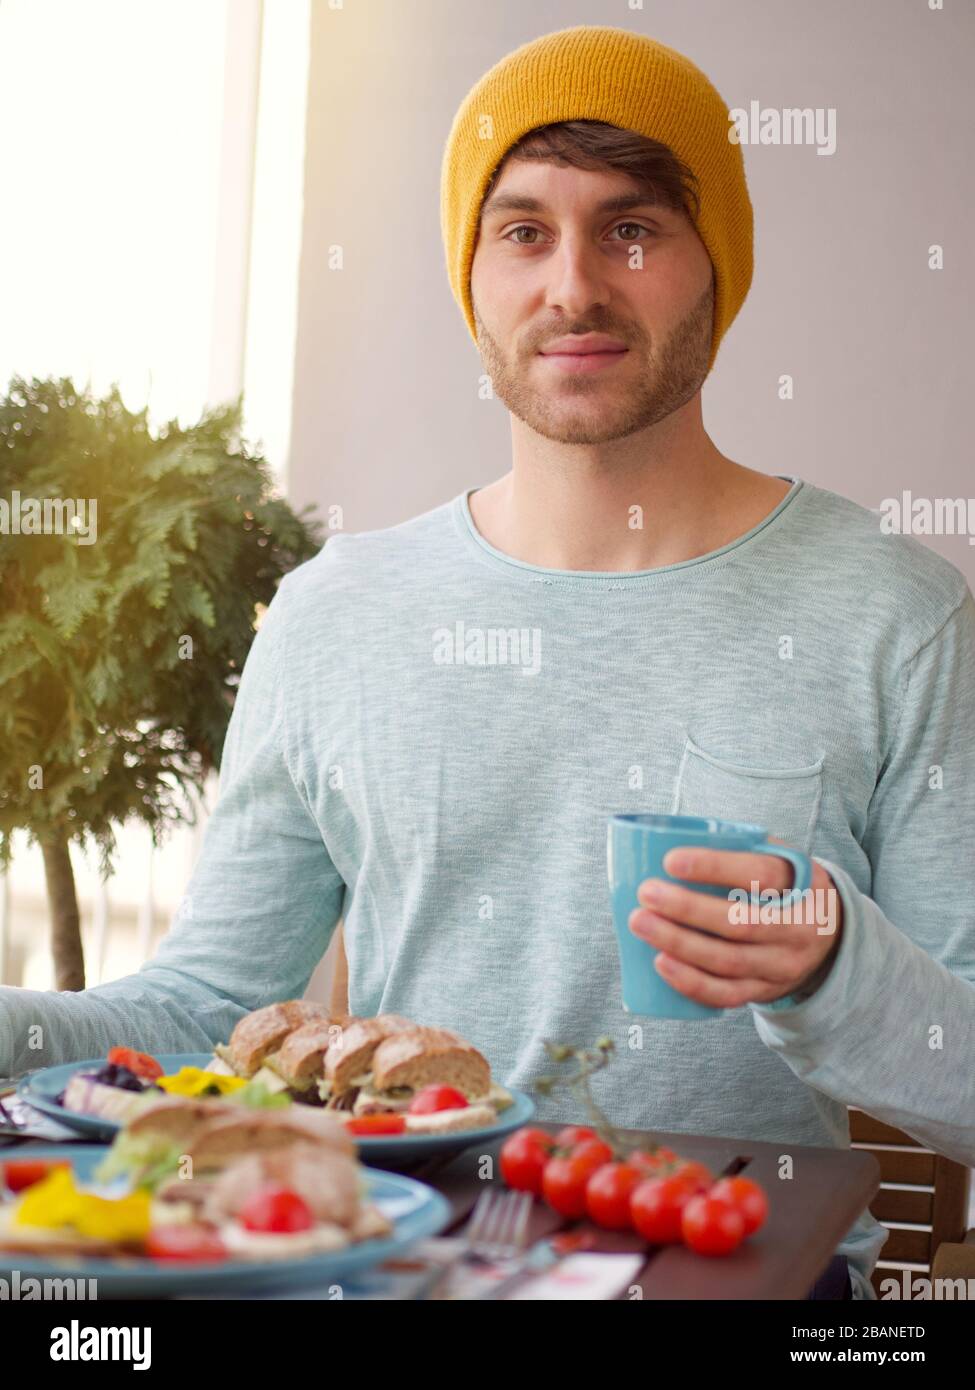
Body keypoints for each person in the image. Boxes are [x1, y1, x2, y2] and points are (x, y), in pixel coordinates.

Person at [2, 25, 973, 1302]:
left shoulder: (894, 613)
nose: (573, 285)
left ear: (716, 269)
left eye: (631, 227)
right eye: (523, 232)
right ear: (472, 277)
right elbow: (206, 1015)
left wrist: (840, 966)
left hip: (742, 1290)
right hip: (410, 1281)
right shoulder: (333, 614)